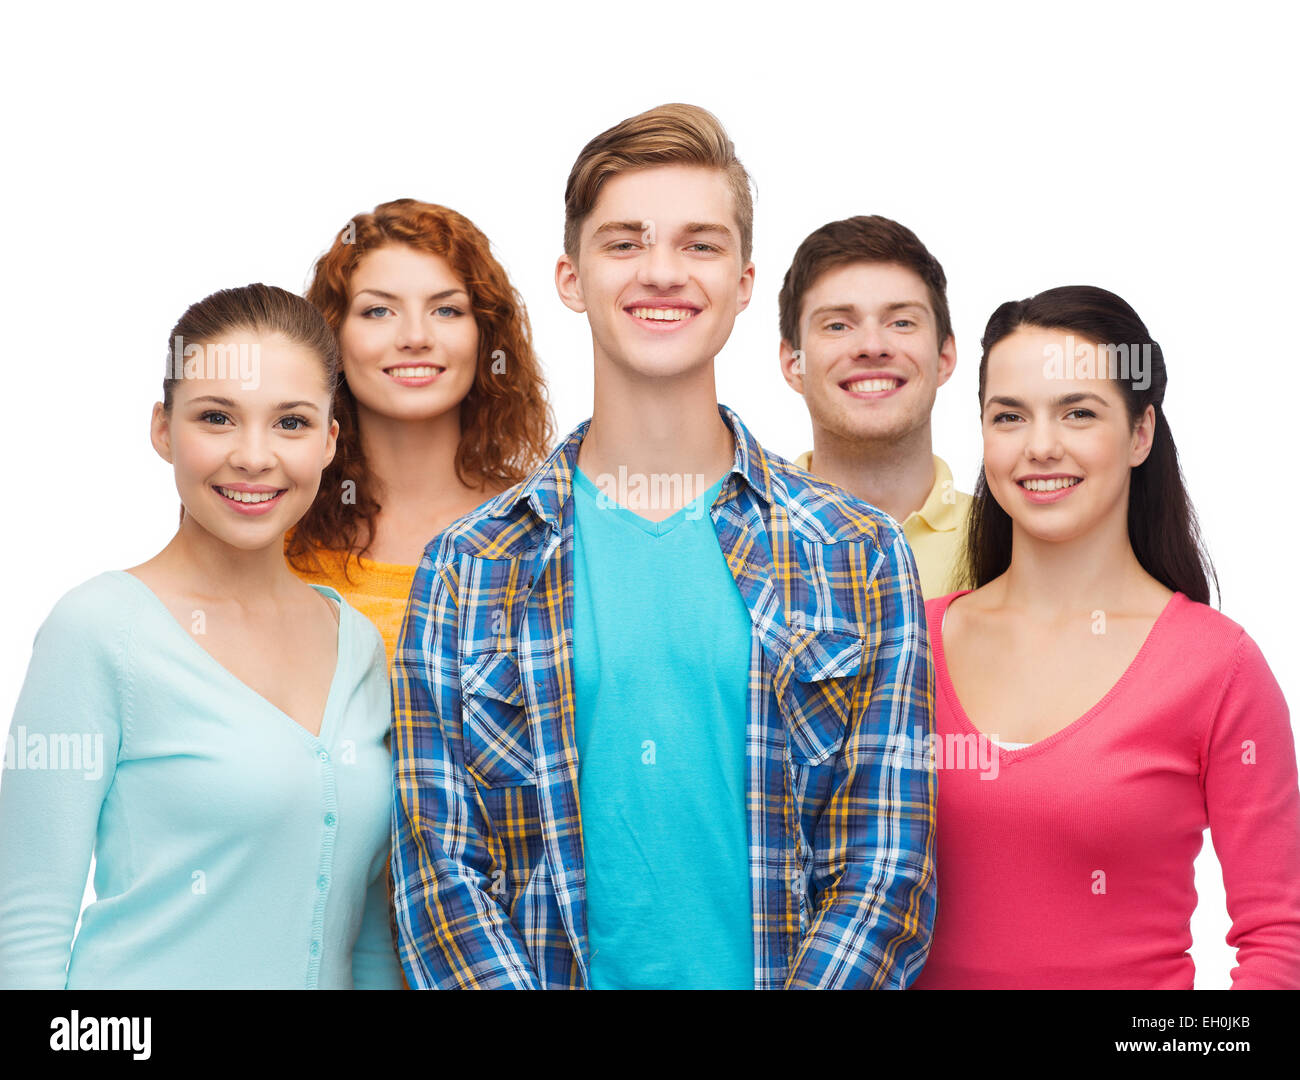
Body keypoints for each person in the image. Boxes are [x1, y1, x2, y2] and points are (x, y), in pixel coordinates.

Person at [391, 103, 937, 990]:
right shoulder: (466, 567)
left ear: (746, 281)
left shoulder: (858, 554)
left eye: (700, 244)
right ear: (570, 277)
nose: (662, 272)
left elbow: (885, 876)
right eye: (625, 243)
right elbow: (440, 885)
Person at [0, 284, 403, 989]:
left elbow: (367, 930)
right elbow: (27, 931)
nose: (253, 456)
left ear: (330, 442)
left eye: (291, 423)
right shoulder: (98, 631)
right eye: (217, 418)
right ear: (163, 428)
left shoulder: (360, 647)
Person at [912, 285, 1300, 989]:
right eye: (1009, 416)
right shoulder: (911, 642)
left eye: (1078, 413)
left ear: (1141, 434)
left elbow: (1280, 939)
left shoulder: (1218, 668)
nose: (1039, 446)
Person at [286, 198, 554, 666]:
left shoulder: (543, 527)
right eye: (377, 312)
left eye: (446, 311)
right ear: (333, 335)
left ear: (485, 335)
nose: (415, 336)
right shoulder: (275, 530)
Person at [778, 215, 971, 598]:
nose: (871, 345)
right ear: (793, 364)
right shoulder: (734, 541)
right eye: (837, 325)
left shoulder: (1017, 541)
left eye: (901, 322)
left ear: (945, 357)